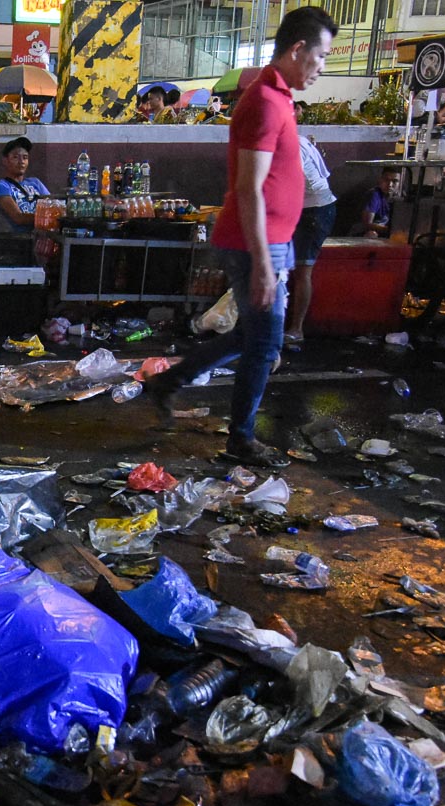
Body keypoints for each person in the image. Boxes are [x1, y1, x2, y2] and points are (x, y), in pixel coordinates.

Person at [144, 6, 337, 470]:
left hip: (273, 240)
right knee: (265, 343)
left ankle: (169, 383)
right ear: (297, 50)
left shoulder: (279, 97)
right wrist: (266, 264)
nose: (323, 66)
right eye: (322, 55)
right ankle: (241, 439)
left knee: (250, 336)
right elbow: (248, 188)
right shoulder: (265, 102)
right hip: (258, 243)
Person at [284, 100, 336, 346]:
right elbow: (325, 175)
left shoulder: (290, 145)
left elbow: (292, 185)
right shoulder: (301, 140)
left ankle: (296, 329)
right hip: (317, 206)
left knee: (303, 270)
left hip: (314, 211)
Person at [0, 136, 50, 232]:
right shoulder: (2, 186)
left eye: (25, 157)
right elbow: (18, 218)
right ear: (5, 161)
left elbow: (52, 204)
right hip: (20, 239)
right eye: (15, 157)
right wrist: (48, 218)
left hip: (42, 235)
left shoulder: (35, 182)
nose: (21, 162)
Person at [357, 166, 401, 238]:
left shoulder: (402, 197)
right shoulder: (374, 194)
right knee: (371, 234)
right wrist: (391, 230)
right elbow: (367, 224)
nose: (390, 185)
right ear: (380, 179)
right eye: (386, 180)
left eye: (395, 181)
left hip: (389, 233)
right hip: (364, 233)